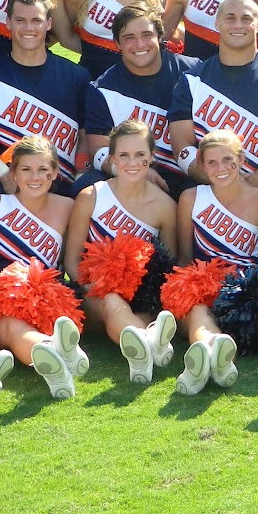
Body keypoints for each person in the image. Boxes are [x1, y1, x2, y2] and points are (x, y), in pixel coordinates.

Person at [68, 119, 179, 384]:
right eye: (124, 155)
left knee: (139, 311)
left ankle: (140, 350)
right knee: (112, 302)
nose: (132, 162)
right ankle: (150, 345)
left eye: (140, 155)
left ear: (152, 157)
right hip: (94, 293)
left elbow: (170, 266)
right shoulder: (90, 196)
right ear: (112, 158)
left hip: (142, 296)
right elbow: (71, 262)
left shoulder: (165, 206)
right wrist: (96, 285)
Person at [0, 136, 87, 399]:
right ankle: (55, 354)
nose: (34, 177)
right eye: (26, 169)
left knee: (33, 324)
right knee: (13, 328)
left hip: (45, 303)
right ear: (13, 173)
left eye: (43, 170)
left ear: (55, 173)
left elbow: (72, 259)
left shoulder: (69, 207)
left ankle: (54, 355)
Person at [168, 0, 258, 190]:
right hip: (208, 198)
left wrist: (250, 186)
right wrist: (222, 181)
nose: (238, 25)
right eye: (230, 18)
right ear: (217, 23)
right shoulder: (191, 80)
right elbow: (182, 147)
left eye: (246, 19)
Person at [0, 0, 86, 203]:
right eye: (20, 20)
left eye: (36, 20)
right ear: (8, 23)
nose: (29, 28)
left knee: (88, 192)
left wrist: (80, 175)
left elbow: (86, 134)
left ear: (49, 23)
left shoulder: (77, 76)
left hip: (58, 175)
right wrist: (3, 173)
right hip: (5, 172)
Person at [172, 130, 258, 395]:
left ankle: (205, 355)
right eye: (212, 162)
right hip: (202, 284)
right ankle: (213, 349)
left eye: (228, 160)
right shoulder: (190, 198)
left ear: (241, 160)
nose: (221, 168)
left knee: (206, 313)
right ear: (202, 166)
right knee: (194, 309)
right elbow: (185, 258)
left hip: (245, 291)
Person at [81, 4, 200, 195]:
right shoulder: (102, 89)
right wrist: (134, 172)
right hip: (132, 176)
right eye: (129, 38)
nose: (139, 45)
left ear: (160, 37)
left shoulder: (192, 72)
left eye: (147, 35)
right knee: (86, 185)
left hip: (190, 173)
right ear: (117, 43)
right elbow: (98, 150)